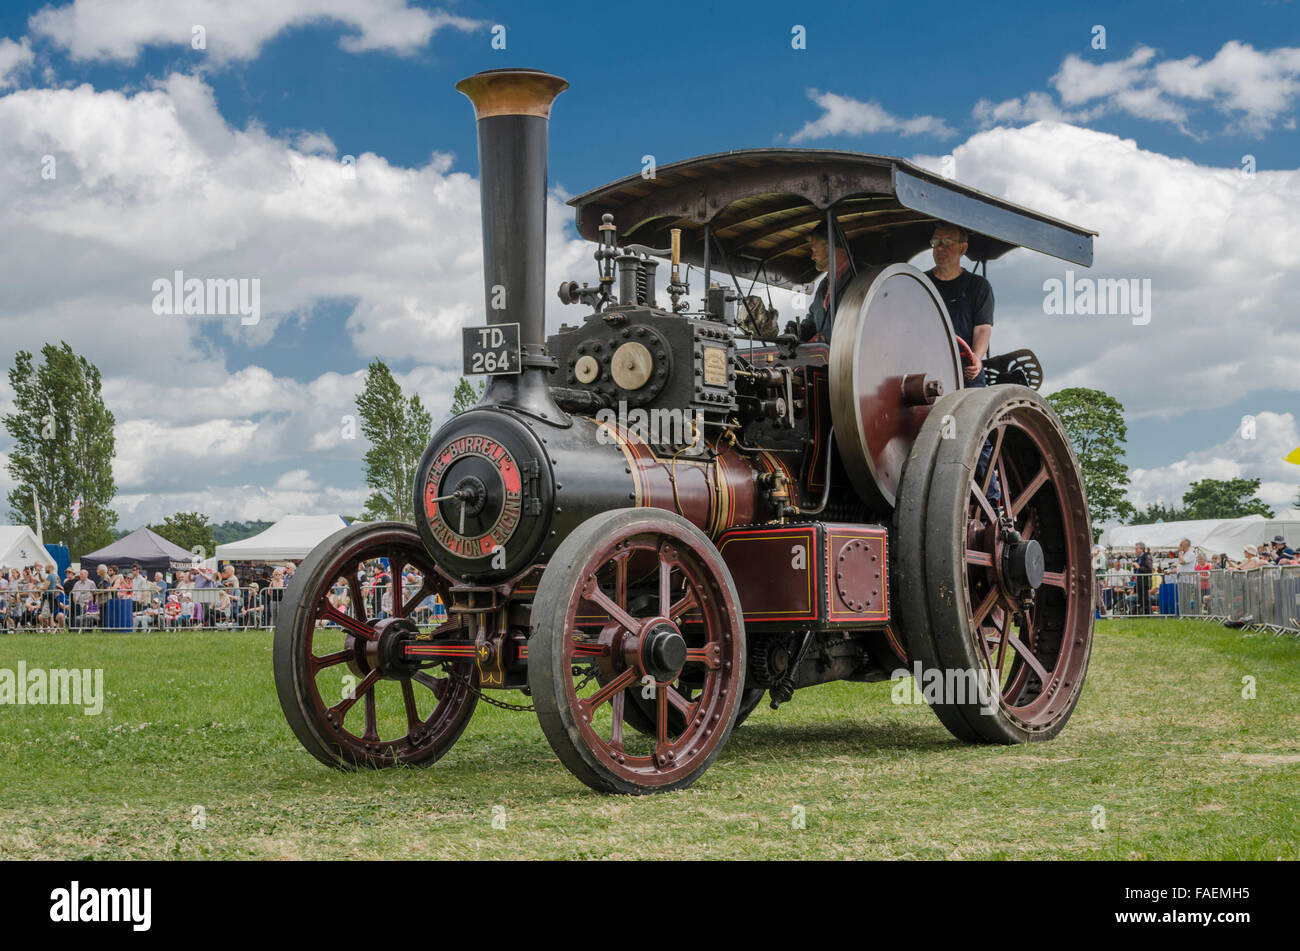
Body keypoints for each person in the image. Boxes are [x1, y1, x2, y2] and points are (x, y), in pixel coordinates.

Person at [926, 223, 994, 386]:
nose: (939, 248)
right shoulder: (921, 283)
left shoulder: (978, 285)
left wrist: (976, 358)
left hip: (966, 373)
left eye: (947, 243)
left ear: (963, 248)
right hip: (928, 370)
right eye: (936, 242)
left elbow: (982, 329)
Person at [797, 220, 860, 344]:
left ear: (829, 248)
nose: (812, 257)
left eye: (814, 250)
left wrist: (826, 338)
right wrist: (798, 331)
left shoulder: (861, 276)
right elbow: (813, 320)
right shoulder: (823, 286)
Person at [1134, 542, 1154, 616]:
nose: (1135, 550)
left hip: (1145, 582)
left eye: (1137, 549)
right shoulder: (1139, 558)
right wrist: (1135, 568)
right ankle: (1143, 614)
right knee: (1141, 600)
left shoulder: (1147, 557)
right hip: (1139, 582)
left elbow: (1149, 570)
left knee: (1146, 599)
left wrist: (1139, 567)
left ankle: (1149, 615)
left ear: (1141, 549)